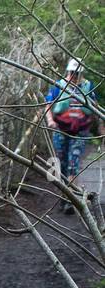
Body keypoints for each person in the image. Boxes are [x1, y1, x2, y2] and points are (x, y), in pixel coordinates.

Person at [44, 58, 100, 214]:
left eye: (77, 73)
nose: (74, 76)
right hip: (61, 129)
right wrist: (50, 120)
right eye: (72, 72)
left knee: (73, 164)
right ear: (67, 71)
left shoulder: (87, 87)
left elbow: (94, 107)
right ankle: (63, 196)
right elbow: (48, 104)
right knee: (60, 164)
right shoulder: (59, 85)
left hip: (80, 131)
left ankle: (71, 200)